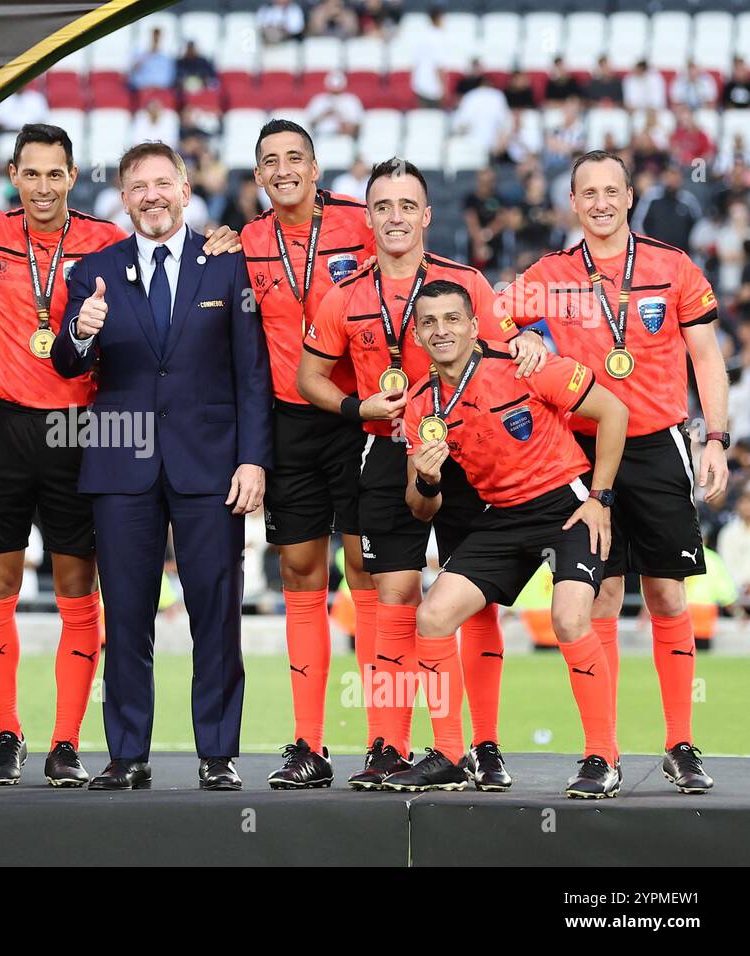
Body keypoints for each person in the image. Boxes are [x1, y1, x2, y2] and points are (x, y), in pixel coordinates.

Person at [0, 124, 241, 785]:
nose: (44, 186)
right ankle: (5, 733)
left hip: (88, 428)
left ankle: (66, 742)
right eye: (32, 173)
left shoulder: (106, 243)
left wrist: (227, 238)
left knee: (83, 585)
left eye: (57, 173)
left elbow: (173, 258)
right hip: (3, 421)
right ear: (13, 175)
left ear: (74, 177)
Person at [297, 158, 547, 792]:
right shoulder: (345, 294)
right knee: (394, 599)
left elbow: (512, 356)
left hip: (470, 452)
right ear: (369, 217)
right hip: (386, 454)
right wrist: (359, 408)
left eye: (408, 205)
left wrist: (537, 343)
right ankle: (389, 745)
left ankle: (483, 747)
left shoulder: (466, 285)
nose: (396, 217)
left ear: (427, 215)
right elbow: (308, 378)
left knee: (475, 596)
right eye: (383, 206)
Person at [497, 149, 729, 794]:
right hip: (580, 451)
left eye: (611, 190)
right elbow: (488, 318)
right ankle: (602, 752)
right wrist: (522, 338)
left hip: (657, 445)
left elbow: (707, 358)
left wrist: (716, 439)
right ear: (573, 202)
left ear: (629, 197)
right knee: (596, 594)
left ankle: (680, 744)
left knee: (666, 594)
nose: (599, 202)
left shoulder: (672, 266)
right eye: (587, 192)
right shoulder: (549, 274)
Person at [52, 142, 272, 791]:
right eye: (137, 187)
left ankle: (219, 754)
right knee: (124, 615)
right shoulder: (93, 271)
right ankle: (126, 755)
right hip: (122, 465)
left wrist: (254, 459)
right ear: (123, 198)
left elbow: (251, 376)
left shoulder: (227, 266)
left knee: (216, 613)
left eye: (161, 183)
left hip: (210, 466)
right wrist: (82, 331)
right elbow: (66, 364)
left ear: (183, 188)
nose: (150, 195)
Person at [396, 280, 629, 797]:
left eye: (452, 319)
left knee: (570, 617)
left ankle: (603, 757)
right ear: (417, 334)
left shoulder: (524, 365)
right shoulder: (420, 405)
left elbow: (615, 412)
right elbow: (421, 507)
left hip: (566, 505)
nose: (442, 331)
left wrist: (601, 498)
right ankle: (452, 755)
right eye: (430, 322)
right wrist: (428, 480)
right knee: (433, 616)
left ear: (473, 326)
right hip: (501, 515)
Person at [243, 119, 377, 788]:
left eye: (296, 157)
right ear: (260, 176)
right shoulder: (245, 242)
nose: (284, 168)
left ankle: (385, 741)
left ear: (317, 167)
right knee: (300, 572)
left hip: (359, 418)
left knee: (368, 571)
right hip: (288, 422)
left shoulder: (362, 223)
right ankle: (309, 744)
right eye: (271, 161)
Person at [305, 70, 364, 139]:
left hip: (344, 138)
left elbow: (358, 124)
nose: (335, 92)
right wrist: (325, 114)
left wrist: (346, 126)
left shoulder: (351, 100)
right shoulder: (318, 100)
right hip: (321, 137)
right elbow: (309, 123)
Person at [130, 26, 175, 91]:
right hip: (142, 90)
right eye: (154, 36)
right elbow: (133, 72)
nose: (156, 39)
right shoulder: (139, 53)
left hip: (161, 90)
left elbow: (169, 78)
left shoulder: (167, 57)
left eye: (158, 36)